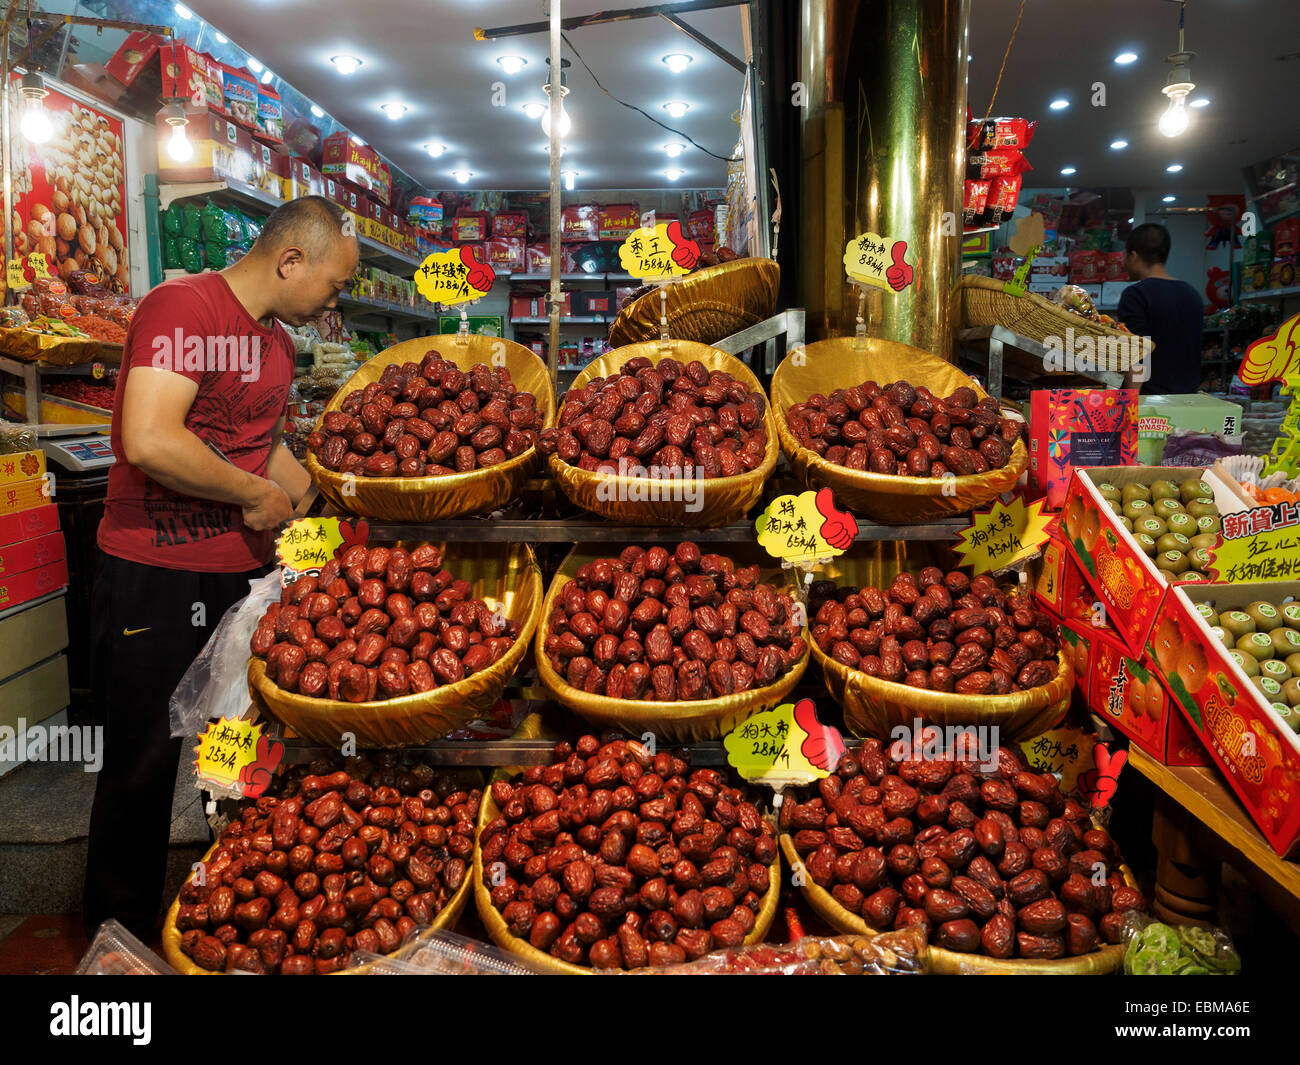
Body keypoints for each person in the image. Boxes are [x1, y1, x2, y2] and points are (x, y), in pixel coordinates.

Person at [83, 195, 358, 940]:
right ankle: (119, 936)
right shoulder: (184, 309)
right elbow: (148, 437)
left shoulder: (278, 344)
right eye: (332, 286)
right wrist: (254, 495)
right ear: (290, 259)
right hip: (157, 573)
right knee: (141, 764)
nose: (334, 302)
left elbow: (255, 442)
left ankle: (230, 914)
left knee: (235, 752)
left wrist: (333, 508)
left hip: (238, 582)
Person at [1117, 223, 1204, 394]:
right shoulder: (1192, 294)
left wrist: (1131, 402)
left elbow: (1137, 355)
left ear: (1133, 256)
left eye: (1125, 256)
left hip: (1150, 402)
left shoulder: (1136, 295)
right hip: (1188, 399)